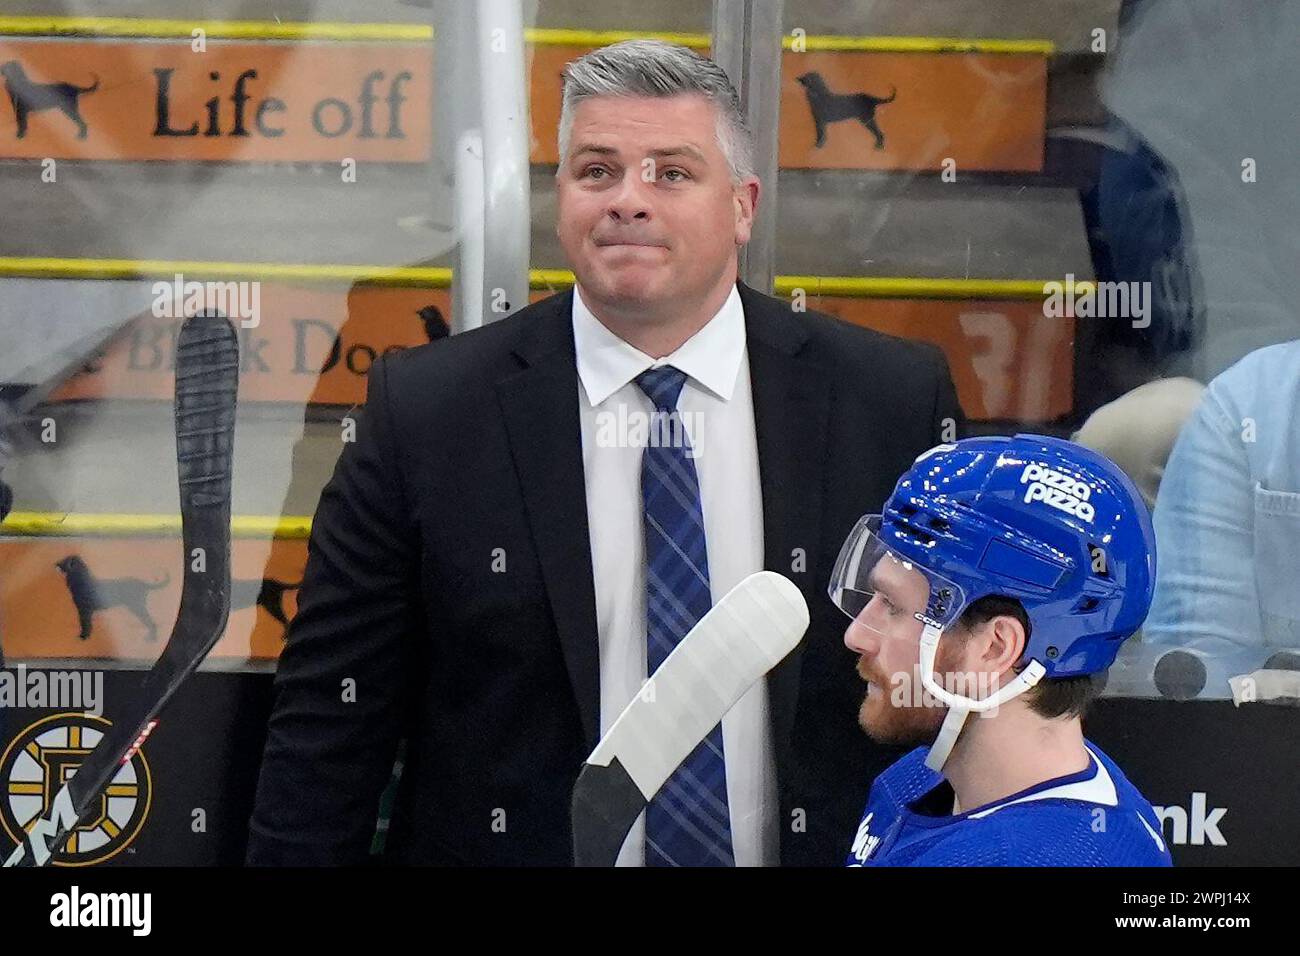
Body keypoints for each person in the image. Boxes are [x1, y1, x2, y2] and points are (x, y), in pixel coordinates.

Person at [247, 39, 961, 866]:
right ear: (561, 199)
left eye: (671, 173)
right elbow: (331, 727)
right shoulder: (429, 411)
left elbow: (960, 698)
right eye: (597, 171)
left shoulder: (892, 401)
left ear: (742, 205)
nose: (629, 200)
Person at [833, 435, 1171, 866]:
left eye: (894, 607)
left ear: (995, 648)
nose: (857, 635)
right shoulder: (932, 776)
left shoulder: (1034, 857)